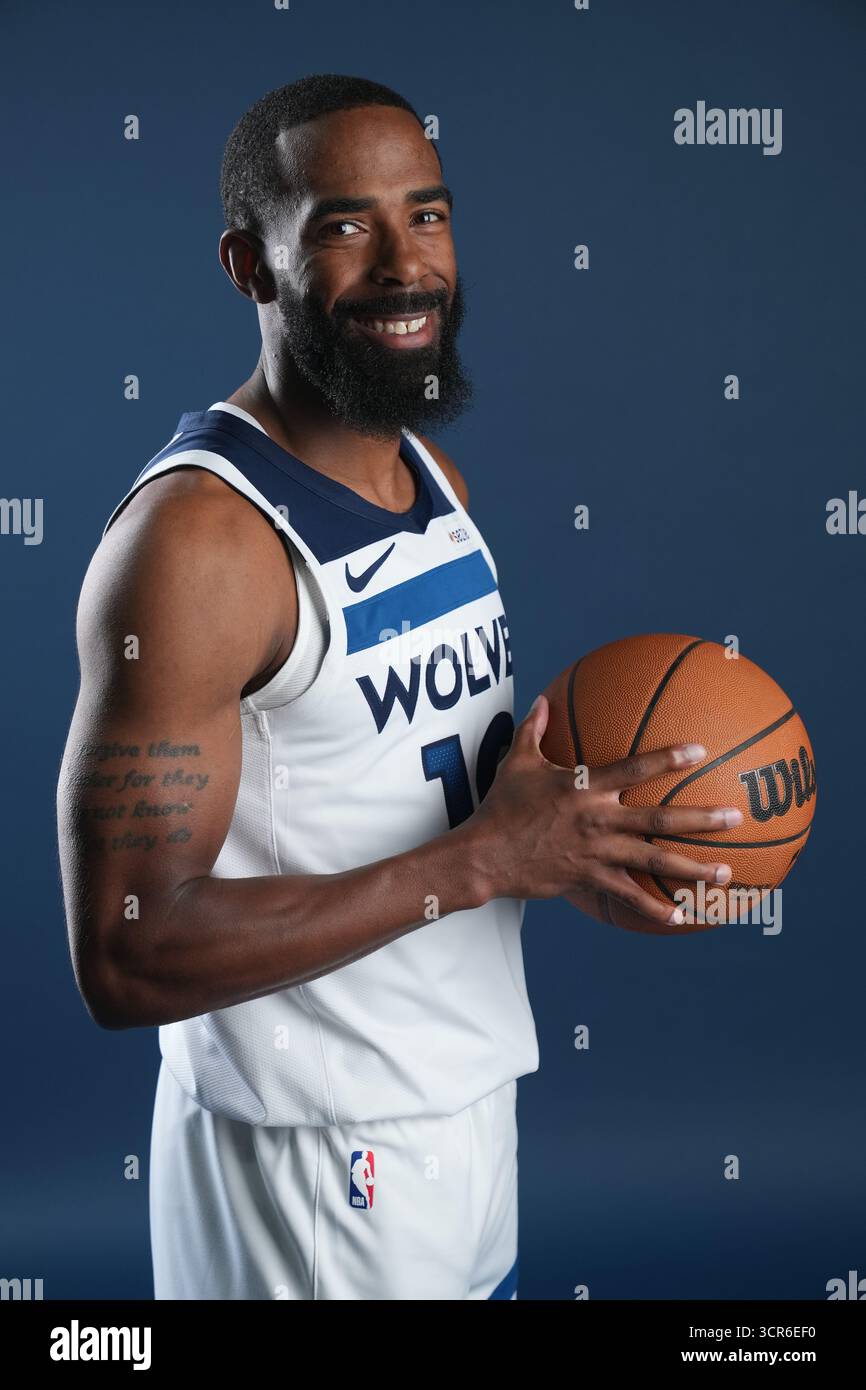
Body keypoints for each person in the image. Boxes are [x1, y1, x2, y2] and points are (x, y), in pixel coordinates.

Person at [56, 73, 741, 1300]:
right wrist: (486, 863)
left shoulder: (431, 479)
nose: (403, 262)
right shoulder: (200, 548)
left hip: (459, 1115)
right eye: (341, 225)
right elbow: (126, 953)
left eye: (425, 214)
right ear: (248, 266)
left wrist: (580, 850)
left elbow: (440, 812)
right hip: (306, 1170)